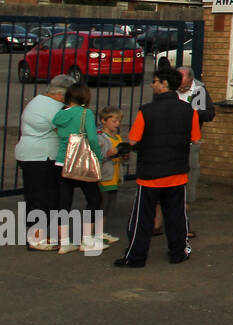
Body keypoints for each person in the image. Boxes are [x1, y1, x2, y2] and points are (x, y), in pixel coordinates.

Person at [114, 67, 199, 268]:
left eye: (155, 81)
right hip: (177, 173)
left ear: (164, 84)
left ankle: (136, 257)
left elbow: (134, 140)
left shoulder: (147, 111)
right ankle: (178, 252)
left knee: (142, 218)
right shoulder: (189, 111)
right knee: (176, 216)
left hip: (151, 174)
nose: (152, 84)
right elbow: (195, 139)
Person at [16, 74, 75, 250]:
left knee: (37, 195)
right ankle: (36, 239)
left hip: (29, 153)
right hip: (41, 157)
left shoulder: (37, 101)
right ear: (62, 94)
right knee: (42, 197)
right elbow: (65, 129)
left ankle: (39, 236)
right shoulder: (56, 107)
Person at [51, 83, 104, 254]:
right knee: (94, 198)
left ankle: (64, 242)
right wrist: (98, 157)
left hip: (61, 161)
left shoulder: (60, 114)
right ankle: (87, 239)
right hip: (80, 161)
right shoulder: (85, 113)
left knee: (64, 202)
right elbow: (93, 139)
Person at [176, 66, 214, 237]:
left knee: (189, 180)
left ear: (191, 81)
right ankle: (158, 223)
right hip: (172, 140)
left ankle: (183, 224)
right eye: (179, 86)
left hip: (191, 141)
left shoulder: (199, 90)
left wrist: (191, 114)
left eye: (184, 86)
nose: (181, 89)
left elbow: (210, 114)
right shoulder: (169, 87)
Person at [96, 106, 126, 244]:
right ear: (104, 120)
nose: (117, 124)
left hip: (115, 177)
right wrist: (108, 154)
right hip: (105, 177)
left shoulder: (118, 137)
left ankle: (101, 232)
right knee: (102, 205)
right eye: (114, 121)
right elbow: (98, 157)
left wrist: (125, 155)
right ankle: (97, 233)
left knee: (109, 207)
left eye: (118, 121)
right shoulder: (100, 138)